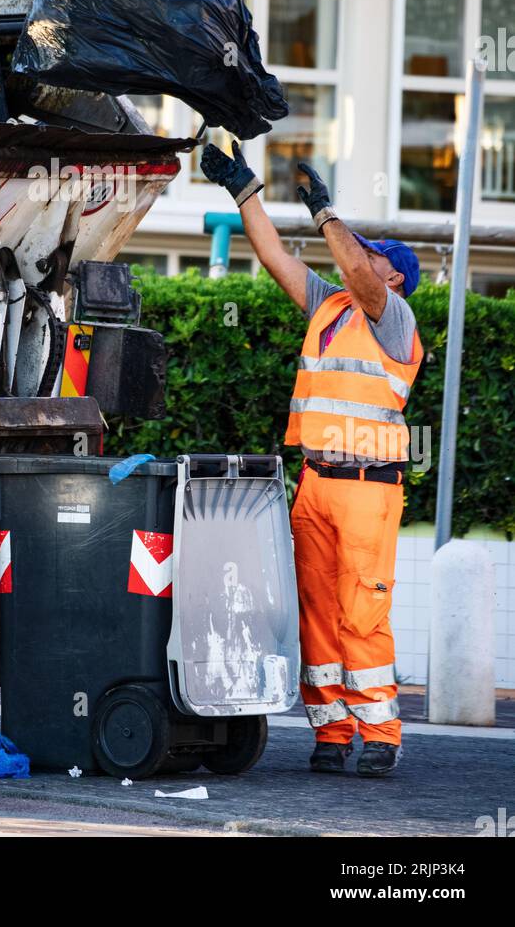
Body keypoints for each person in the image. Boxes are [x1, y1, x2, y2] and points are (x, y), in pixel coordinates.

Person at [201, 141, 423, 778]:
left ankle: (380, 732)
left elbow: (356, 269)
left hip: (368, 489)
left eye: (376, 258)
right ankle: (331, 732)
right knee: (317, 615)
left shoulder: (393, 318)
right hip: (316, 482)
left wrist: (327, 213)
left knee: (362, 612)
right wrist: (245, 191)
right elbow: (273, 256)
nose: (364, 261)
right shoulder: (329, 305)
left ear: (395, 277)